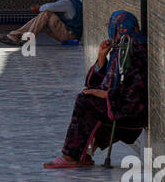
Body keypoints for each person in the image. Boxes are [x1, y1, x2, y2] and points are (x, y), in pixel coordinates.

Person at [43, 10, 148, 168]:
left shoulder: (134, 53)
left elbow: (132, 97)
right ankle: (82, 153)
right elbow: (92, 83)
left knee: (85, 101)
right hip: (117, 105)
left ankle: (71, 155)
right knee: (88, 97)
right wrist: (101, 58)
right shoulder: (120, 49)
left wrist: (104, 94)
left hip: (130, 114)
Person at [0, 0, 82, 47]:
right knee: (42, 18)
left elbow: (50, 6)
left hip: (71, 36)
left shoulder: (68, 2)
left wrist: (39, 8)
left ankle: (23, 38)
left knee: (46, 13)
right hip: (69, 34)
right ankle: (15, 36)